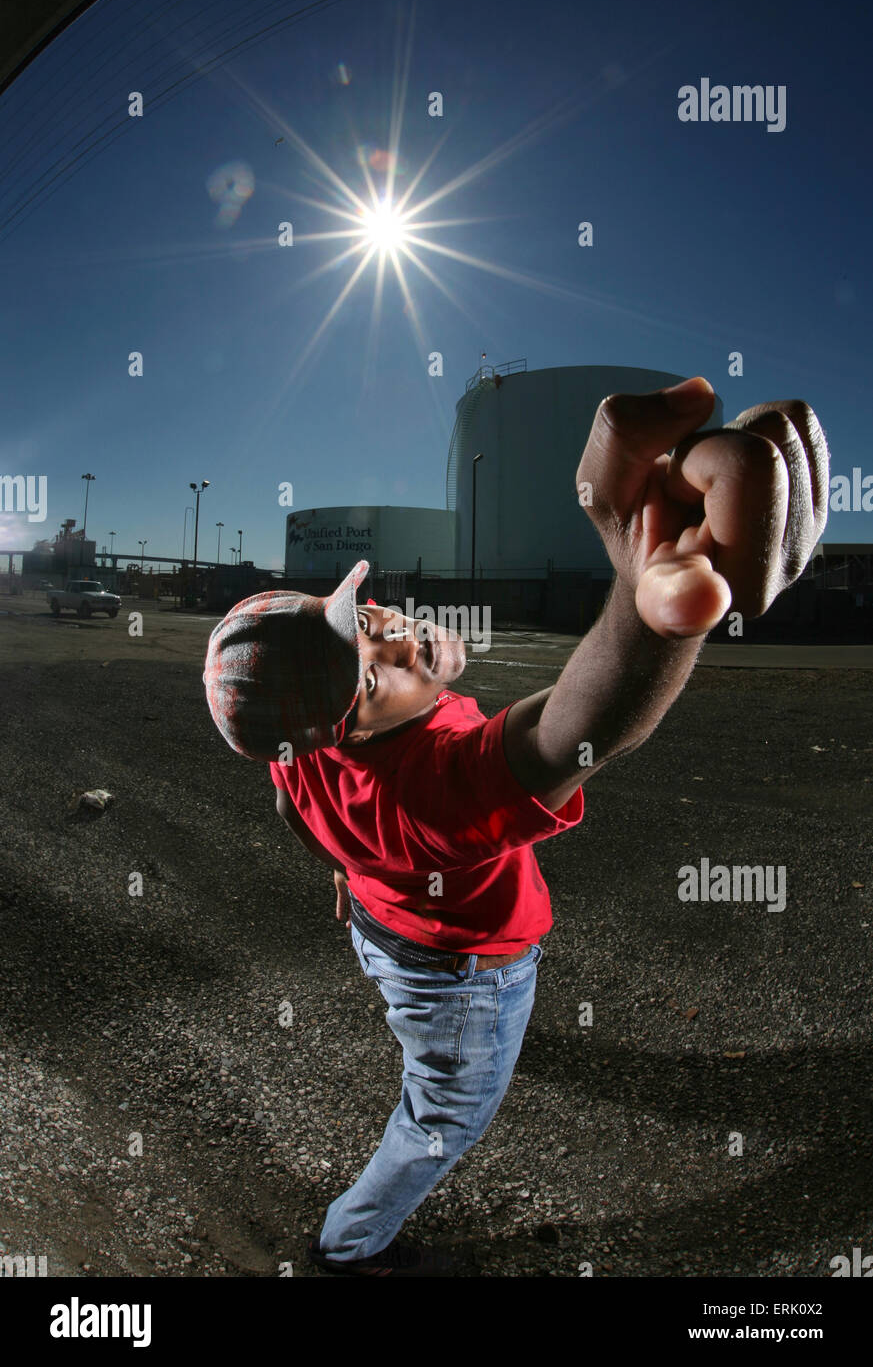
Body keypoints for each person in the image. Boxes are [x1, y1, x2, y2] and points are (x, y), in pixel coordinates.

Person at [202, 377, 828, 1276]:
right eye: (372, 678)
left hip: (385, 925)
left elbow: (287, 797)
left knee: (427, 1066)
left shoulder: (295, 751)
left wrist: (343, 867)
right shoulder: (431, 791)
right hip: (462, 976)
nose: (401, 640)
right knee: (441, 1119)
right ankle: (348, 1249)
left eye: (364, 623)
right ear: (342, 729)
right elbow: (564, 738)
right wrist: (646, 610)